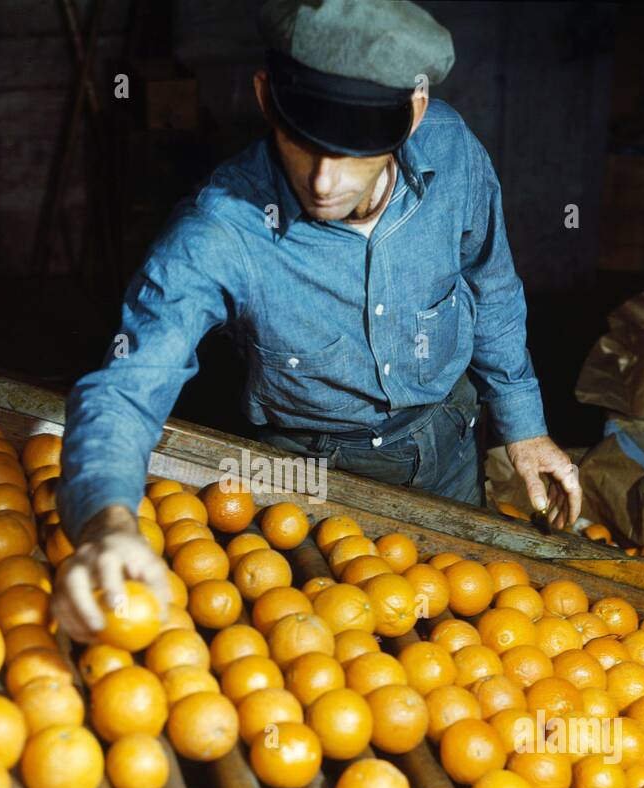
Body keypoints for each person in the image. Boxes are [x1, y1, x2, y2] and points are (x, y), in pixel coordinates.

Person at [52, 0, 581, 640]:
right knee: (322, 656)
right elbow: (129, 383)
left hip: (447, 453)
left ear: (412, 113)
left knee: (449, 644)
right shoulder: (222, 229)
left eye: (354, 148)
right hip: (306, 482)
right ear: (266, 97)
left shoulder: (454, 154)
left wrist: (524, 428)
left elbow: (490, 283)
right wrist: (105, 520)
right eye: (302, 139)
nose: (324, 180)